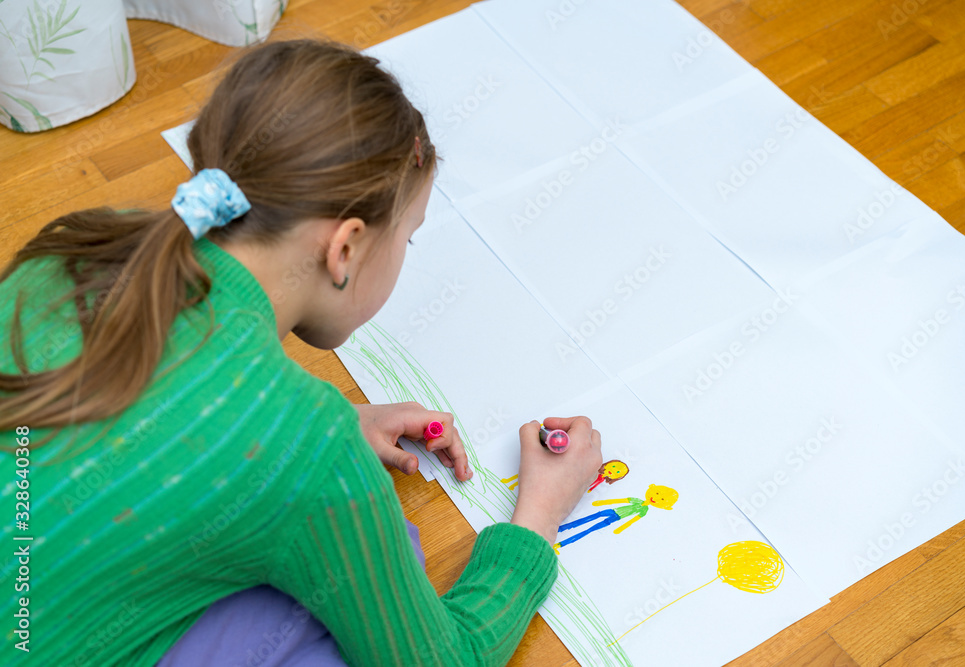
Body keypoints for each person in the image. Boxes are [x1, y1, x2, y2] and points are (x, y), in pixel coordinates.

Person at [0, 39, 603, 666]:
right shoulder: (312, 450)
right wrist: (539, 517)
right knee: (370, 564)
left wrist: (323, 429)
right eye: (409, 239)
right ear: (344, 249)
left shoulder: (72, 254)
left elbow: (137, 423)